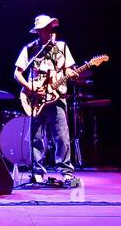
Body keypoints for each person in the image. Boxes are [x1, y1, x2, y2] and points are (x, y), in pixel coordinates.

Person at [13, 15, 81, 187]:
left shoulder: (62, 47)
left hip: (57, 97)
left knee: (61, 136)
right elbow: (17, 73)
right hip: (35, 98)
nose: (48, 31)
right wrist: (29, 87)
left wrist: (72, 73)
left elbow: (69, 69)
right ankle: (37, 172)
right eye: (44, 28)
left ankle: (66, 172)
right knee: (35, 136)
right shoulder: (30, 49)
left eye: (50, 27)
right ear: (38, 31)